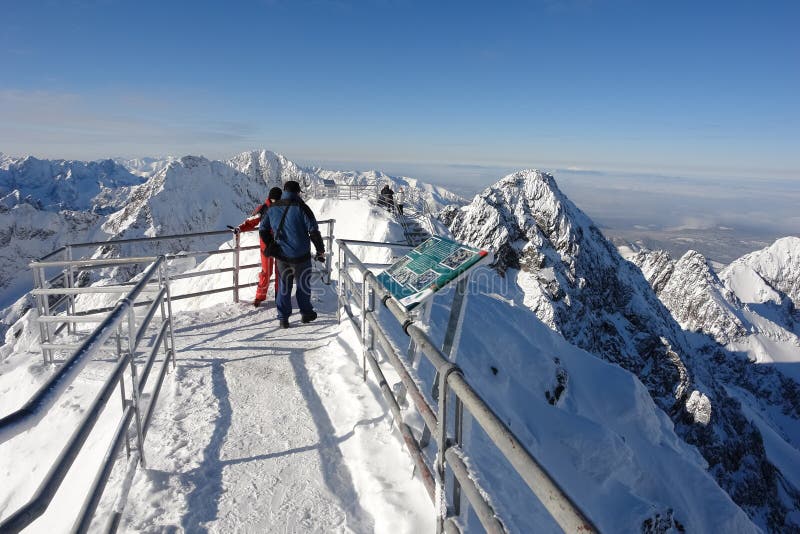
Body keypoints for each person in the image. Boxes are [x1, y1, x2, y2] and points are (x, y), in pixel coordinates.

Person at [259, 180, 326, 328]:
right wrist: (320, 250)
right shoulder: (302, 207)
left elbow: (262, 229)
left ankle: (283, 318)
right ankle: (306, 314)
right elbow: (314, 231)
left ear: (284, 191)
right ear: (297, 192)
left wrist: (270, 243)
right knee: (303, 285)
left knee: (284, 286)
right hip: (301, 256)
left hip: (281, 255)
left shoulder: (273, 208)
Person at [234, 186, 282, 307]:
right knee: (266, 271)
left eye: (276, 199)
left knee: (280, 270)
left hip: (280, 242)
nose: (274, 201)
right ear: (269, 198)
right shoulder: (263, 208)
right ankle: (260, 296)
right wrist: (240, 228)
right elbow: (251, 221)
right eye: (272, 199)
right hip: (266, 243)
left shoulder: (282, 208)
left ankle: (280, 296)